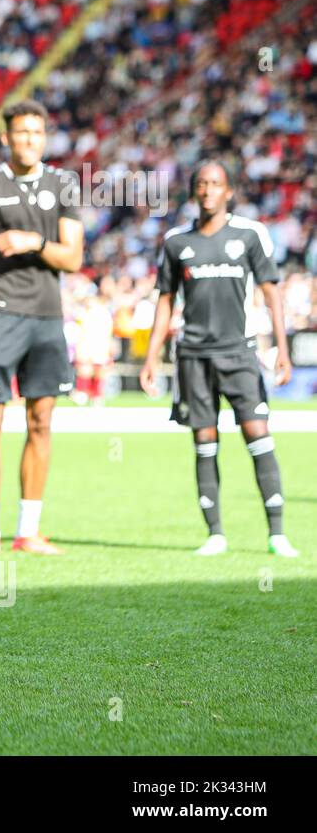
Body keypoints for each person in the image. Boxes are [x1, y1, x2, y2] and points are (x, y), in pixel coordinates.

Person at [140, 161, 298, 557]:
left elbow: (270, 291)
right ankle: (215, 534)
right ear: (194, 192)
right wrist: (150, 357)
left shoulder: (249, 235)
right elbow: (165, 300)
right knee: (205, 442)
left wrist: (281, 347)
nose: (208, 190)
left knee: (258, 436)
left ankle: (276, 533)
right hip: (193, 356)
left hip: (239, 354)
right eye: (202, 184)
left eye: (216, 184)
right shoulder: (177, 241)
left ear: (228, 191)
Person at [0, 99, 84, 557]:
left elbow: (73, 257)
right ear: (6, 137)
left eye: (37, 132)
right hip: (1, 314)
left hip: (48, 318)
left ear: (44, 137)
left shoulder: (63, 185)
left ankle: (28, 531)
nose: (29, 139)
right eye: (21, 132)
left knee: (41, 420)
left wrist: (34, 242)